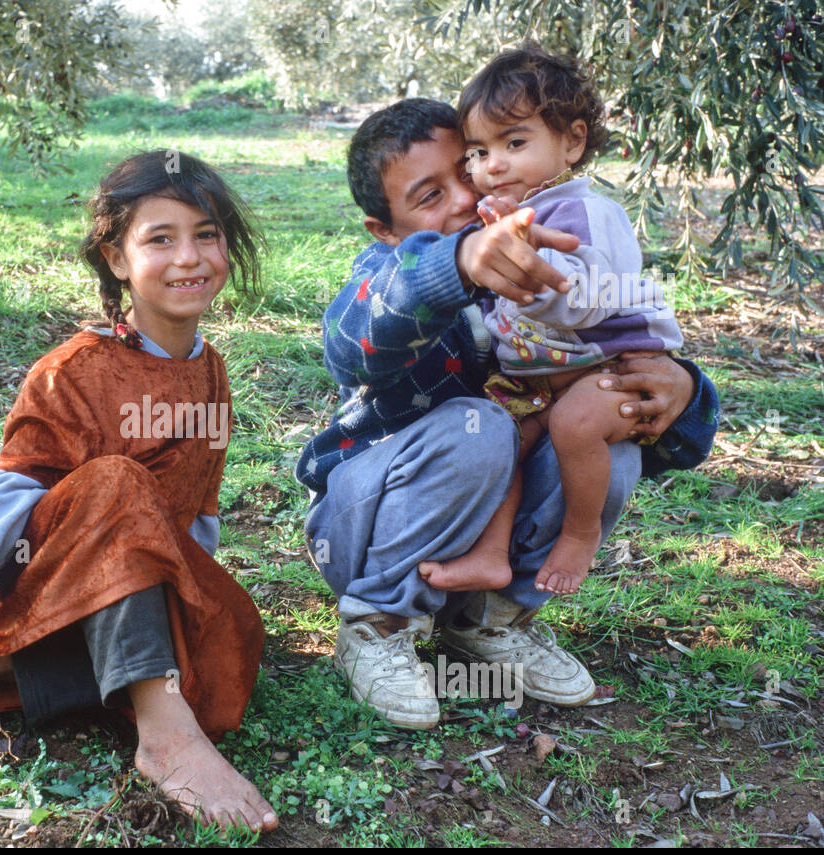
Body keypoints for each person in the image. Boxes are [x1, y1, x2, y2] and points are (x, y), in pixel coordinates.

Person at [0, 150, 278, 832]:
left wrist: (198, 607)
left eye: (207, 234)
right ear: (117, 260)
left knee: (235, 640)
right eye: (160, 238)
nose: (190, 257)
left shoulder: (210, 370)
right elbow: (6, 492)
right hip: (46, 581)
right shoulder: (75, 371)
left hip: (133, 595)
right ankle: (163, 734)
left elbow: (197, 507)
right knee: (121, 484)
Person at [297, 98, 719, 730]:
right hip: (366, 529)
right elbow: (353, 341)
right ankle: (378, 623)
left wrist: (681, 389)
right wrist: (456, 264)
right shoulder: (387, 275)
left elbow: (663, 425)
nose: (465, 203)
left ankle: (492, 621)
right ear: (385, 230)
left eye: (466, 173)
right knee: (483, 424)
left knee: (608, 433)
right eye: (429, 197)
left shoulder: (545, 276)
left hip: (482, 540)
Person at [418, 44, 684, 597]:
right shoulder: (504, 215)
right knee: (497, 445)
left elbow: (583, 301)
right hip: (538, 377)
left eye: (515, 143)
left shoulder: (585, 212)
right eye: (478, 151)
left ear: (573, 140)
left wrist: (524, 263)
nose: (493, 165)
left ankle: (581, 534)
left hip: (603, 365)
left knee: (575, 426)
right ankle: (490, 554)